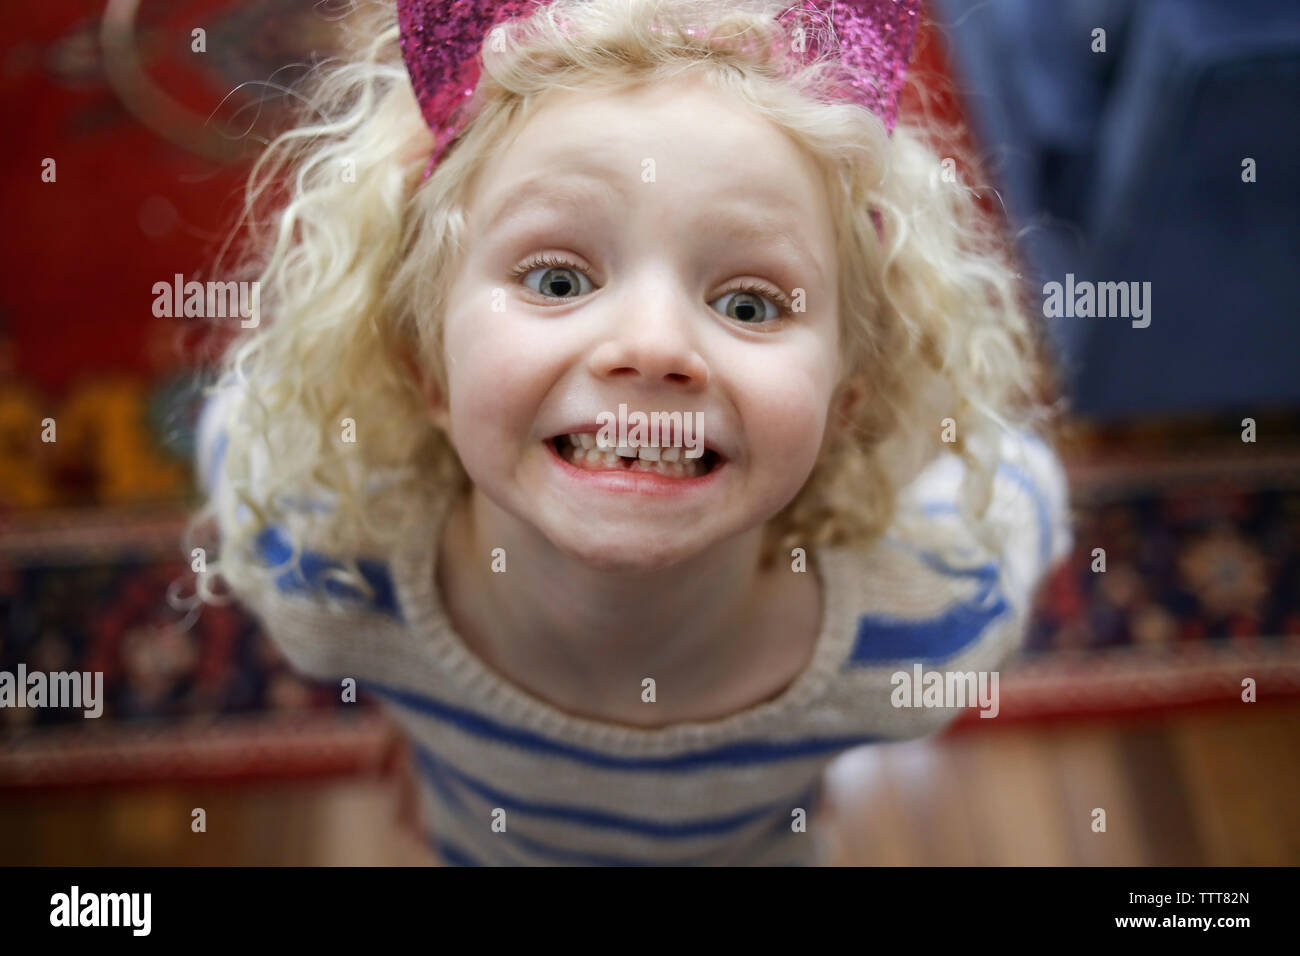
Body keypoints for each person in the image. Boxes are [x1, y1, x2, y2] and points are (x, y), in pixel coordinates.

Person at [192, 0, 1073, 866]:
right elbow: (247, 424)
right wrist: (412, 713)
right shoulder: (325, 574)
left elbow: (1021, 489)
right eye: (558, 281)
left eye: (748, 303)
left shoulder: (927, 627)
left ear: (848, 398)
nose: (653, 347)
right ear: (423, 362)